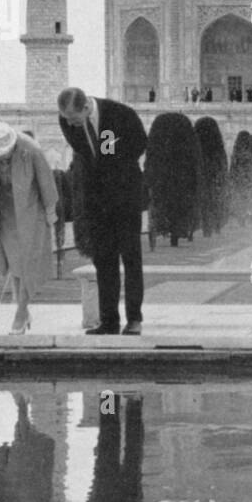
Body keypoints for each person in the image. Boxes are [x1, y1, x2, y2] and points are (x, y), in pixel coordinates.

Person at [58, 86, 147, 336]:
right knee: (104, 261)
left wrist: (116, 164)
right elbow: (85, 154)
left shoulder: (120, 114)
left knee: (130, 258)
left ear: (86, 107)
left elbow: (140, 143)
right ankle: (109, 321)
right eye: (68, 120)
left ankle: (134, 319)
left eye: (74, 119)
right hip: (96, 201)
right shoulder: (66, 120)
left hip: (125, 197)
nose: (71, 124)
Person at [0, 121, 59, 335]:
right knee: (15, 262)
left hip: (30, 210)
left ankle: (21, 313)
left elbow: (46, 182)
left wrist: (51, 212)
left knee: (28, 261)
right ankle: (21, 307)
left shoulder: (30, 148)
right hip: (6, 211)